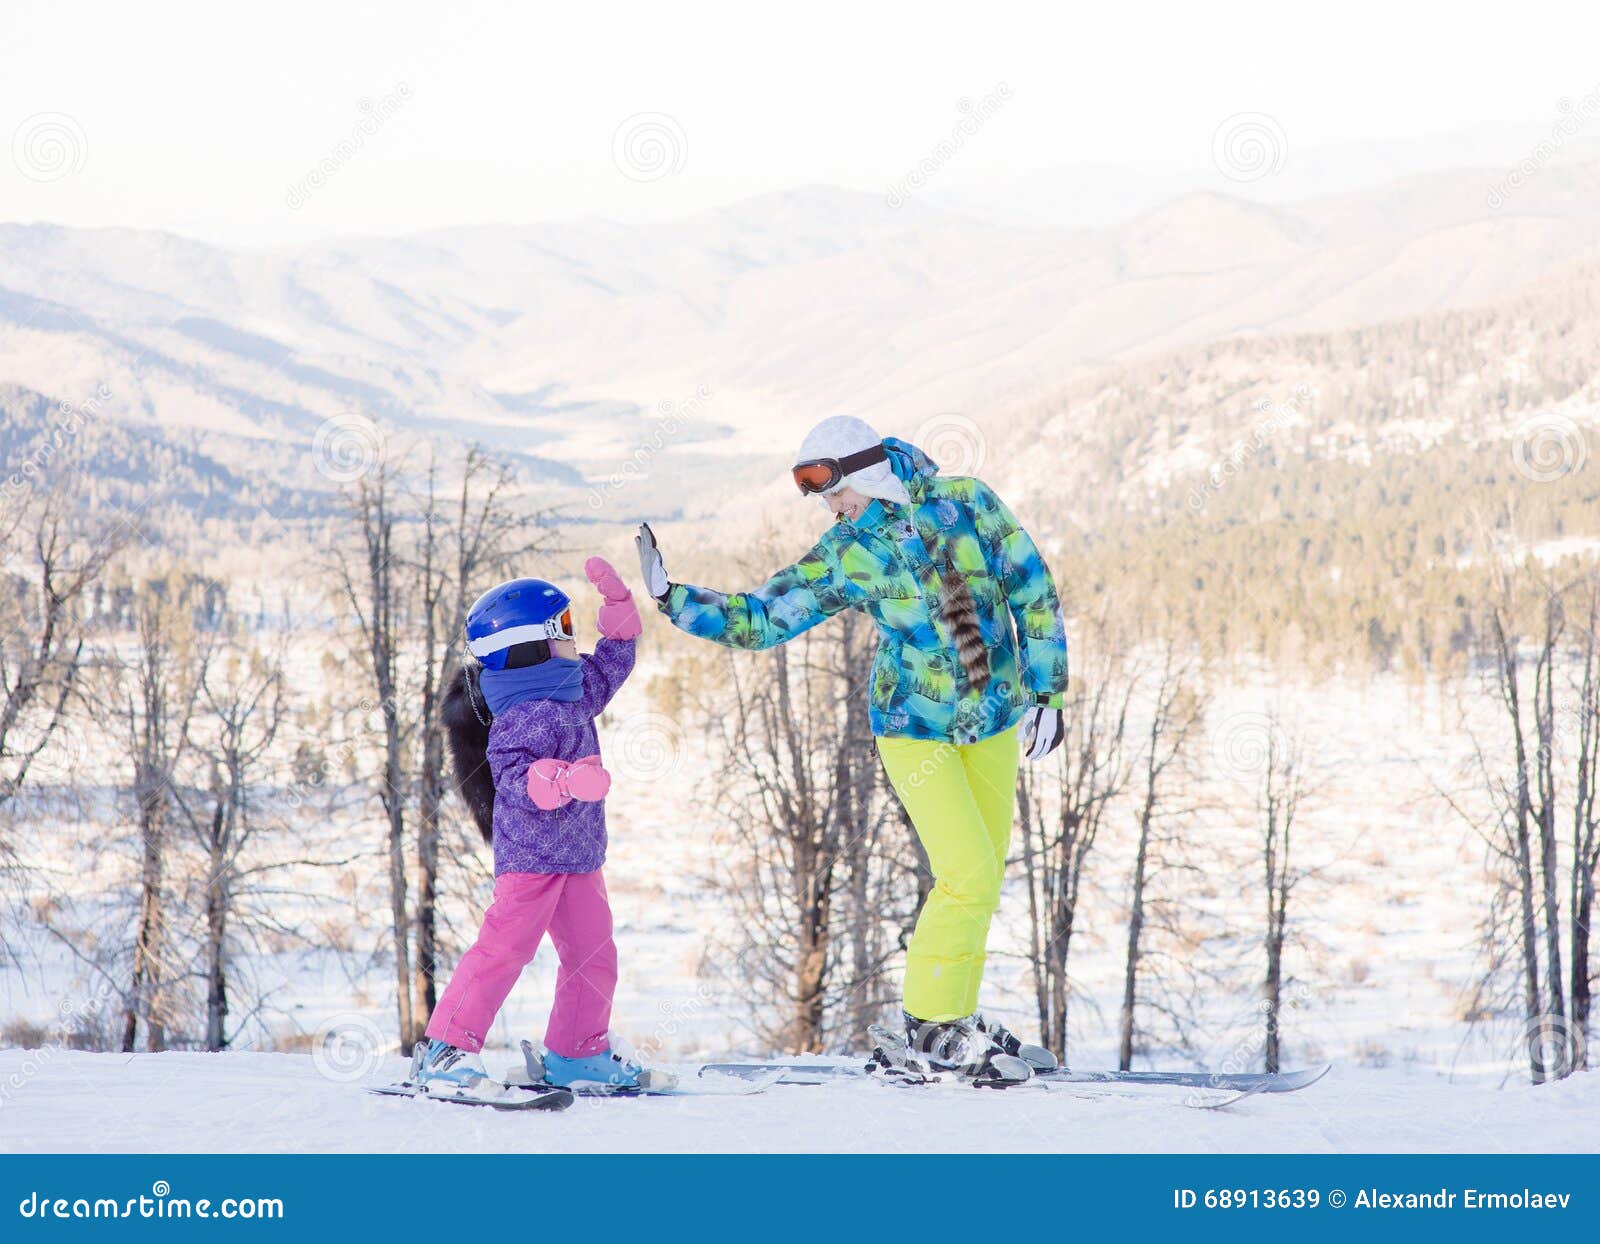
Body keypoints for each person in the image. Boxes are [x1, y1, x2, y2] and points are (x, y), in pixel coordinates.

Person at [636, 415, 1068, 1084]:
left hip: (996, 715)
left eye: (833, 490)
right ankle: (930, 1027)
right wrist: (675, 599)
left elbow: (1031, 590)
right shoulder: (847, 551)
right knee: (966, 873)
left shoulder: (967, 502)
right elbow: (766, 615)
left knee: (982, 880)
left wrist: (1048, 693)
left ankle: (956, 1012)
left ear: (865, 469)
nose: (830, 507)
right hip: (912, 727)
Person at [412, 557, 668, 1096]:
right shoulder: (519, 715)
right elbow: (514, 781)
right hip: (531, 860)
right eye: (566, 629)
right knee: (504, 950)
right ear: (530, 645)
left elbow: (613, 665)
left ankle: (577, 1052)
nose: (574, 638)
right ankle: (446, 1049)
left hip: (579, 857)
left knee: (594, 954)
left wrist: (619, 612)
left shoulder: (573, 687)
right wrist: (569, 781)